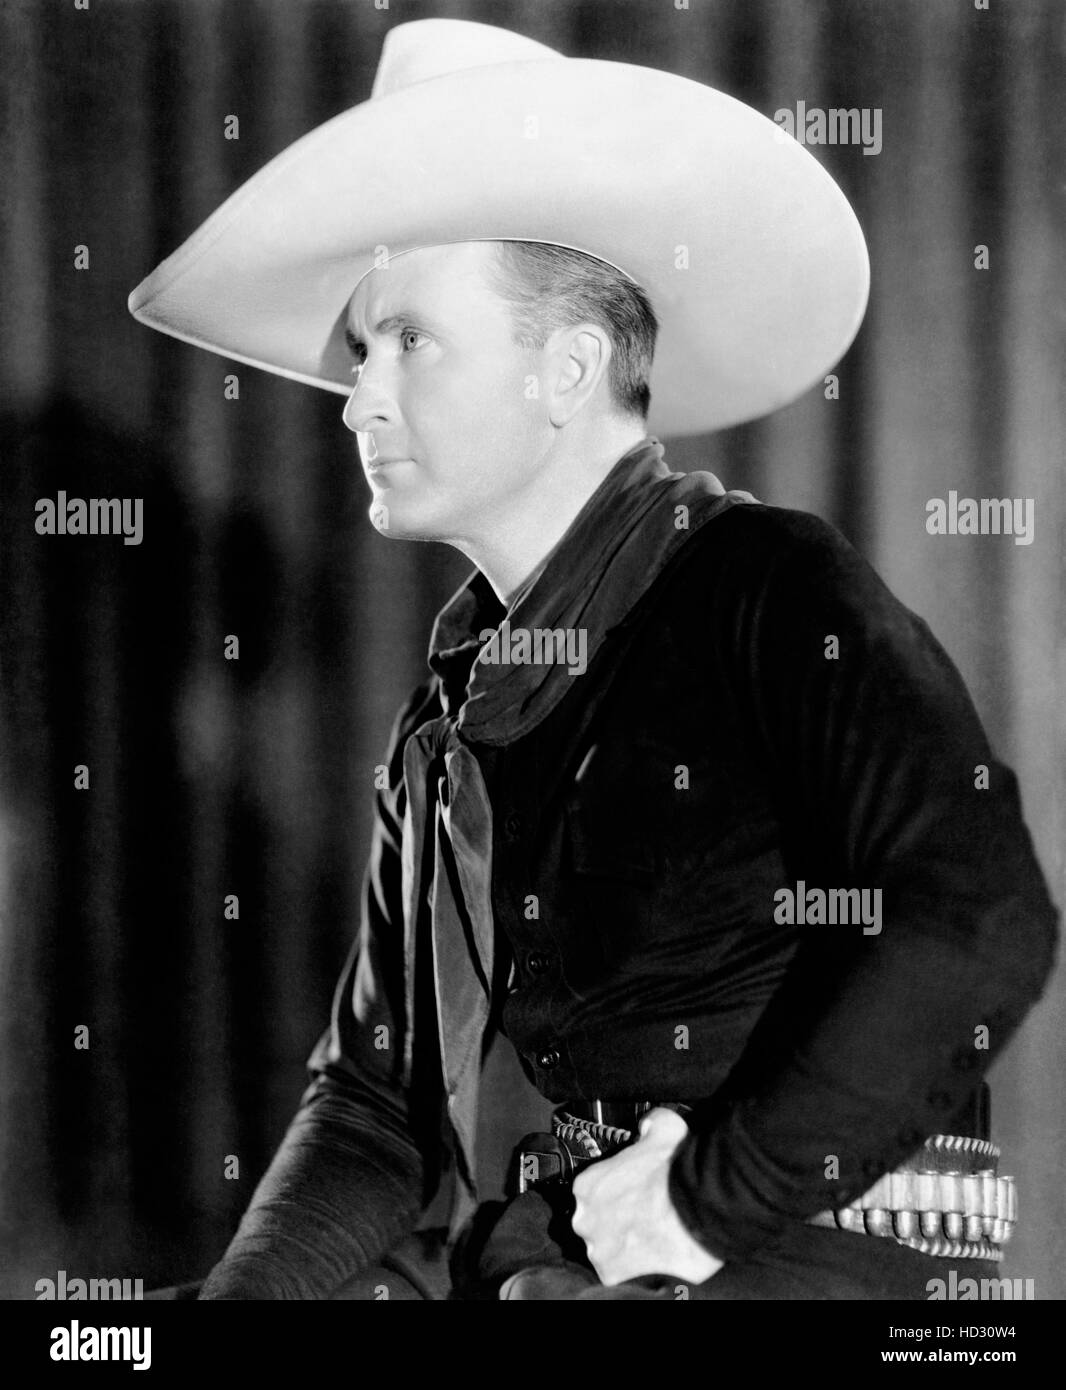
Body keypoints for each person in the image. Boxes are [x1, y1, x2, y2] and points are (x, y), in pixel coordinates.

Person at [130, 19, 1058, 1301]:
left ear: (564, 369)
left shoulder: (765, 588)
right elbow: (372, 1108)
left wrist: (703, 1201)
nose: (358, 399)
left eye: (408, 340)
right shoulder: (445, 719)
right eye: (361, 353)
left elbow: (980, 914)